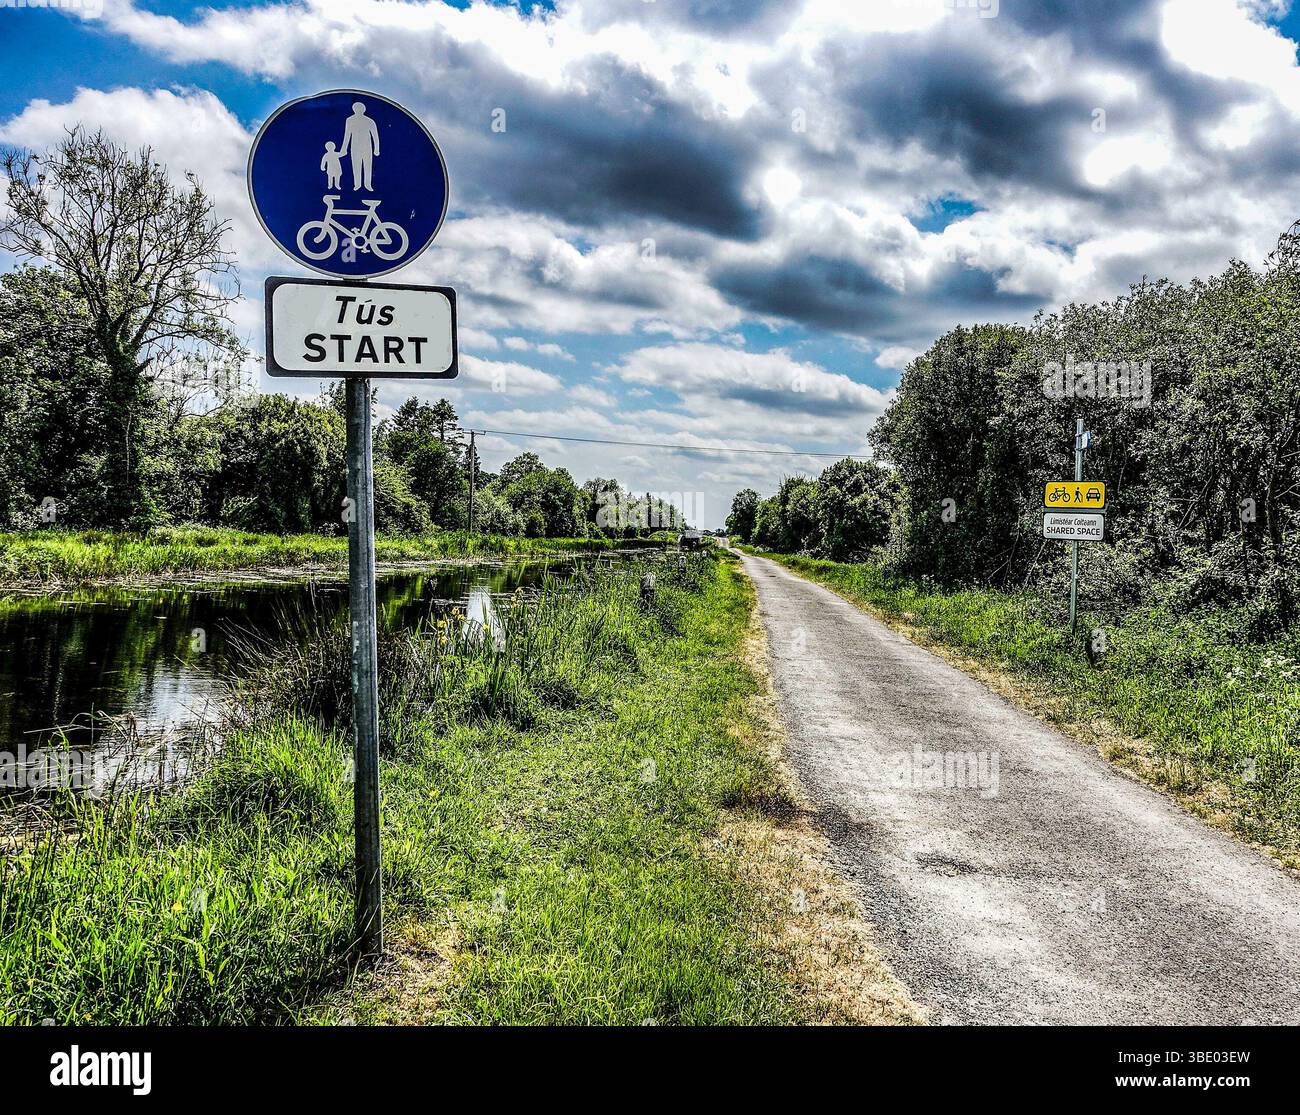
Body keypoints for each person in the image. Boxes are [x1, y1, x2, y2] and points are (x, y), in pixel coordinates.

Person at [340, 102, 380, 191]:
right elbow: (347, 135)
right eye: (356, 108)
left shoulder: (369, 121)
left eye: (360, 108)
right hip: (355, 147)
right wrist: (344, 149)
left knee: (367, 166)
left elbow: (375, 136)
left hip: (367, 147)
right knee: (356, 166)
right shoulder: (349, 120)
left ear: (363, 110)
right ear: (354, 109)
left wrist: (376, 148)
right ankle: (357, 184)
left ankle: (368, 185)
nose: (358, 110)